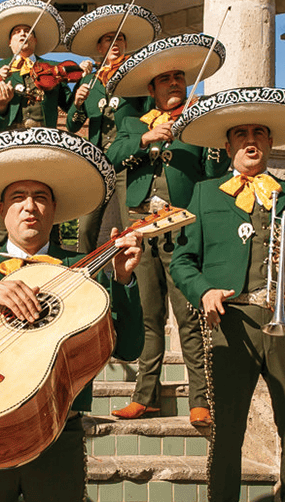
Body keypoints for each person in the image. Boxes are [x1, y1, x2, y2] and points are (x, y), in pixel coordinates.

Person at [0, 129, 144, 502]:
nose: (29, 207)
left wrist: (123, 278)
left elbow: (130, 347)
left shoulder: (79, 270)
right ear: (1, 210)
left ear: (54, 209)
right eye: (17, 198)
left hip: (57, 429)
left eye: (40, 198)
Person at [168, 86, 285, 502]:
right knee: (227, 427)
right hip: (233, 321)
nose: (250, 140)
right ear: (228, 145)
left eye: (259, 132)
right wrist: (205, 290)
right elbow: (181, 261)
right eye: (241, 133)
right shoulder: (205, 193)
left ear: (270, 142)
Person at [102, 34, 231, 427]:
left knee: (188, 315)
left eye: (180, 77)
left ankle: (200, 399)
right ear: (152, 89)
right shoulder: (130, 123)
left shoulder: (196, 118)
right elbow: (111, 155)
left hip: (183, 229)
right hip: (141, 229)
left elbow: (213, 173)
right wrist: (144, 139)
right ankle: (145, 396)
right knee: (147, 314)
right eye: (166, 79)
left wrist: (207, 138)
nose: (175, 83)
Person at [62, 2, 162, 252]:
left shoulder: (138, 74)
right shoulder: (89, 79)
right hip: (98, 161)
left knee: (132, 224)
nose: (115, 44)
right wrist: (78, 103)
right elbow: (73, 126)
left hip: (129, 158)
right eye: (109, 40)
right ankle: (85, 277)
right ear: (100, 47)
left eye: (120, 39)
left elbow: (153, 110)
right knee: (86, 228)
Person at [0, 0, 73, 130]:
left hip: (45, 134)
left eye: (27, 31)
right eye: (17, 32)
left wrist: (82, 82)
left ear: (35, 40)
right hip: (10, 135)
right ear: (10, 42)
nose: (23, 34)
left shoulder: (53, 67)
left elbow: (69, 104)